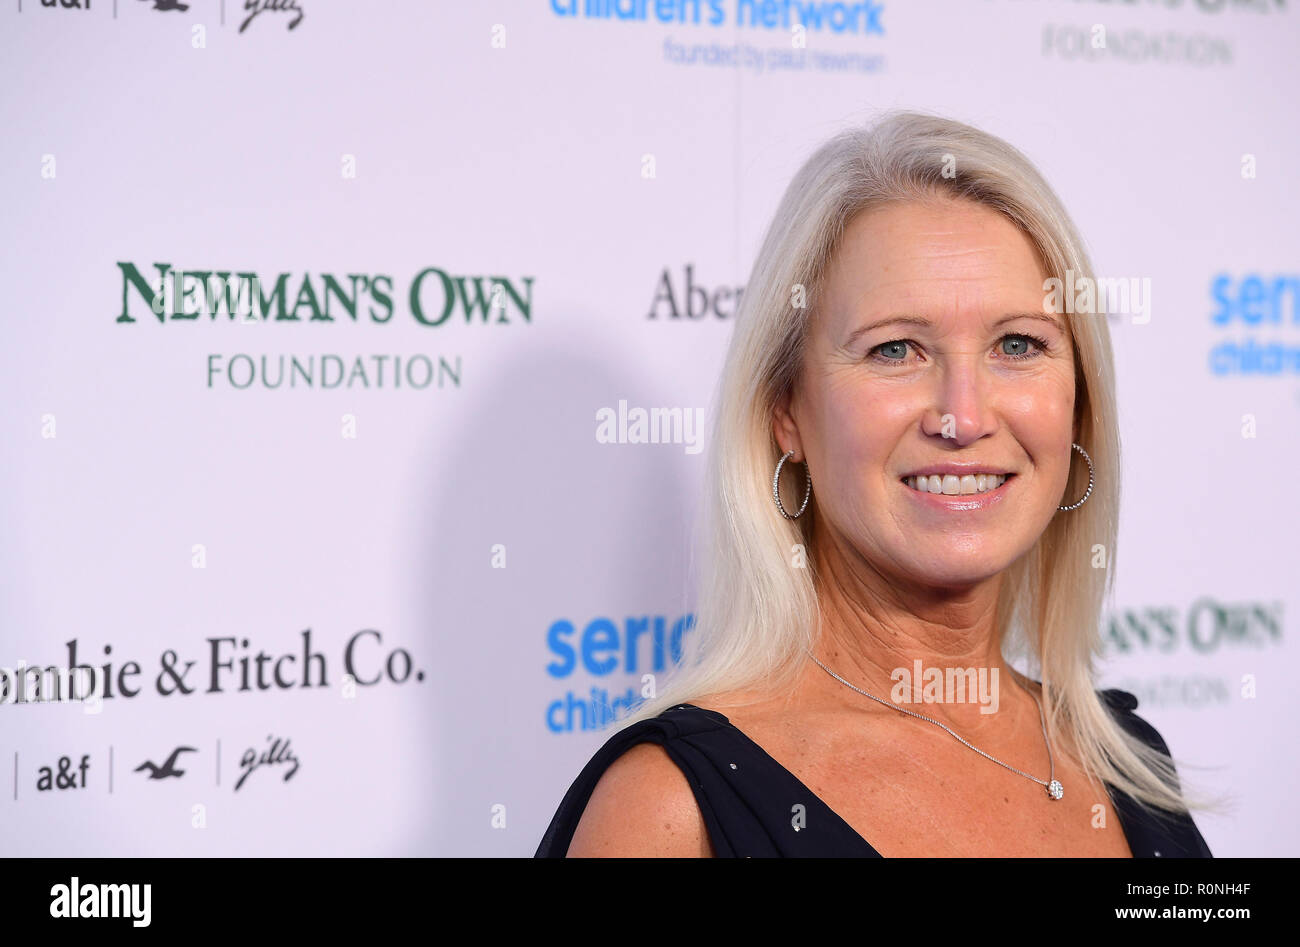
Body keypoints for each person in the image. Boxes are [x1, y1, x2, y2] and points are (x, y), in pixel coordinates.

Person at [536, 111, 1215, 858]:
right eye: (896, 349)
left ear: (1080, 403)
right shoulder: (670, 810)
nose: (963, 415)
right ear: (786, 411)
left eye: (1017, 344)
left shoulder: (1126, 760)